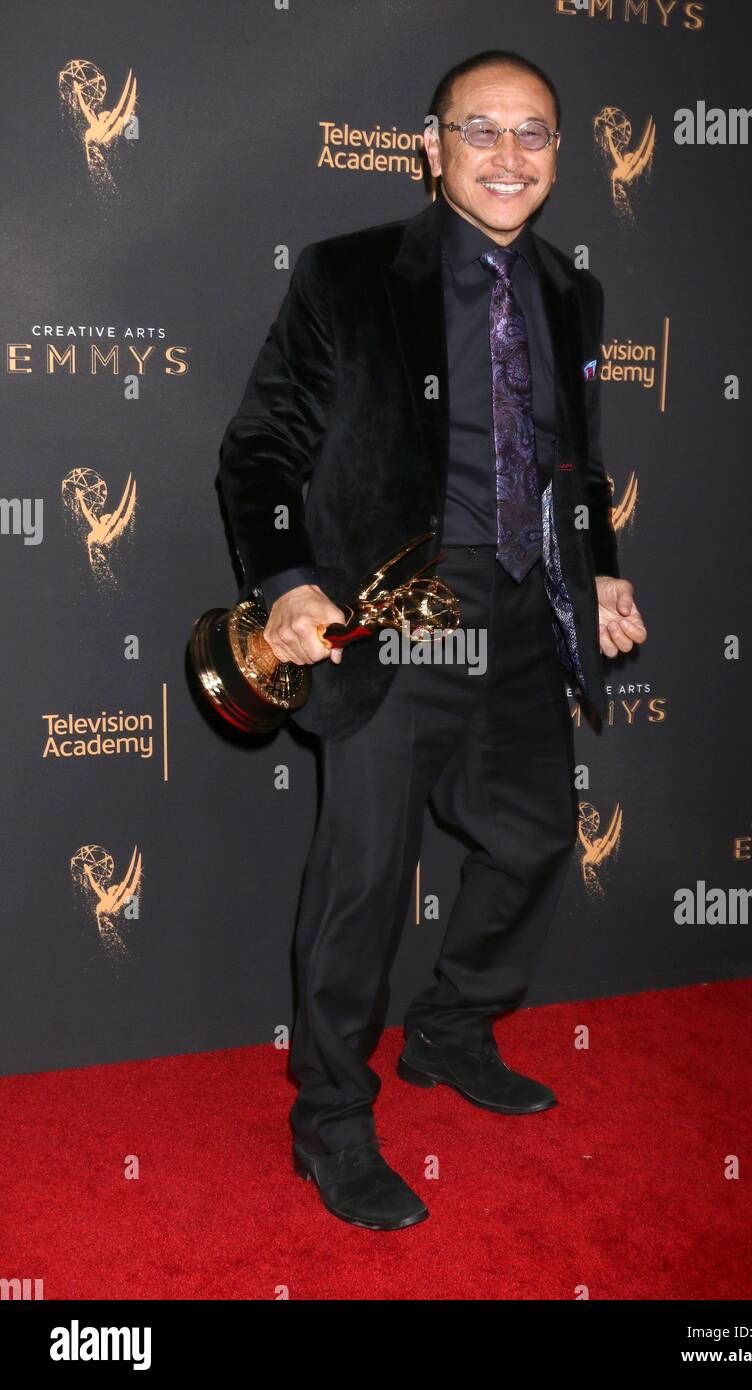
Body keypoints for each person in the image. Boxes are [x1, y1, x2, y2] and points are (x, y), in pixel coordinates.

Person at [217, 48, 647, 1231]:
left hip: (516, 622)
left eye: (534, 134)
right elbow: (256, 449)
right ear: (429, 146)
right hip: (394, 625)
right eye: (480, 130)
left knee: (532, 838)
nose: (509, 155)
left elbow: (576, 465)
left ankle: (449, 1034)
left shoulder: (572, 293)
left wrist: (596, 571)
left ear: (558, 154)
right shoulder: (346, 276)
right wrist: (289, 583)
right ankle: (332, 1124)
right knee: (362, 886)